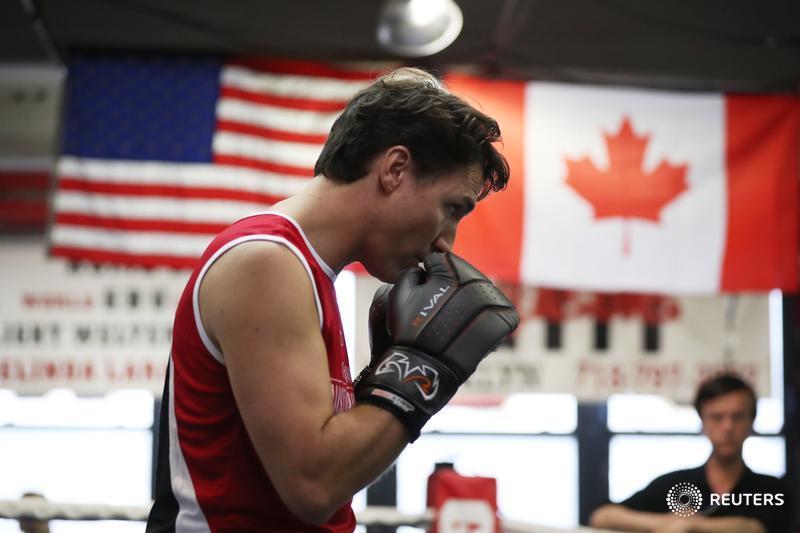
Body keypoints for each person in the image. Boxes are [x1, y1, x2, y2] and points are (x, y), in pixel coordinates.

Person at [146, 67, 519, 532]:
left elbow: (329, 478)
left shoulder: (308, 273)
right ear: (395, 169)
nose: (446, 242)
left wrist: (388, 380)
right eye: (452, 208)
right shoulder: (266, 262)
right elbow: (314, 486)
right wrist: (420, 370)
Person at [589, 373, 791, 533]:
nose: (728, 427)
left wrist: (691, 525)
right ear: (702, 422)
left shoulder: (771, 489)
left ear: (751, 422)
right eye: (717, 417)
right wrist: (668, 521)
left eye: (737, 417)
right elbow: (602, 516)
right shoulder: (675, 484)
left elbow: (754, 527)